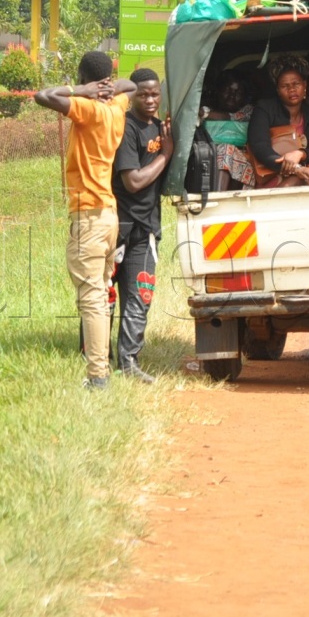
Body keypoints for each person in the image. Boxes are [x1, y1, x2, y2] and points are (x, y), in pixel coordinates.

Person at [33, 51, 132, 391]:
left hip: (88, 215)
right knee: (100, 294)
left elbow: (43, 96)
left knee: (91, 298)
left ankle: (98, 376)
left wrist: (82, 90)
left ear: (85, 76)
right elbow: (130, 85)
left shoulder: (89, 110)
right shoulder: (116, 107)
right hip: (109, 215)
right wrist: (107, 87)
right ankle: (100, 370)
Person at [112, 69, 173, 384]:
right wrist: (164, 156)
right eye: (143, 95)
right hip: (121, 225)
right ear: (132, 95)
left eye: (154, 94)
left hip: (147, 226)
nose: (150, 100)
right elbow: (133, 181)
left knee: (140, 295)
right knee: (106, 295)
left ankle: (128, 362)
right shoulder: (127, 127)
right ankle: (91, 356)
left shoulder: (158, 127)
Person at [248, 55, 309, 187]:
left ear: (305, 85)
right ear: (278, 90)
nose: (291, 90)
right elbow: (260, 148)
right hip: (269, 175)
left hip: (306, 176)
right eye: (284, 86)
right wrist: (296, 169)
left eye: (296, 84)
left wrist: (300, 154)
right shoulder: (264, 109)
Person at [201, 73, 255, 190]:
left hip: (244, 163)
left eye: (238, 93)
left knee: (226, 149)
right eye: (228, 90)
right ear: (219, 91)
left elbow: (230, 117)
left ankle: (219, 198)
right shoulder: (210, 109)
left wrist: (204, 113)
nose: (232, 96)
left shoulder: (248, 111)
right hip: (211, 161)